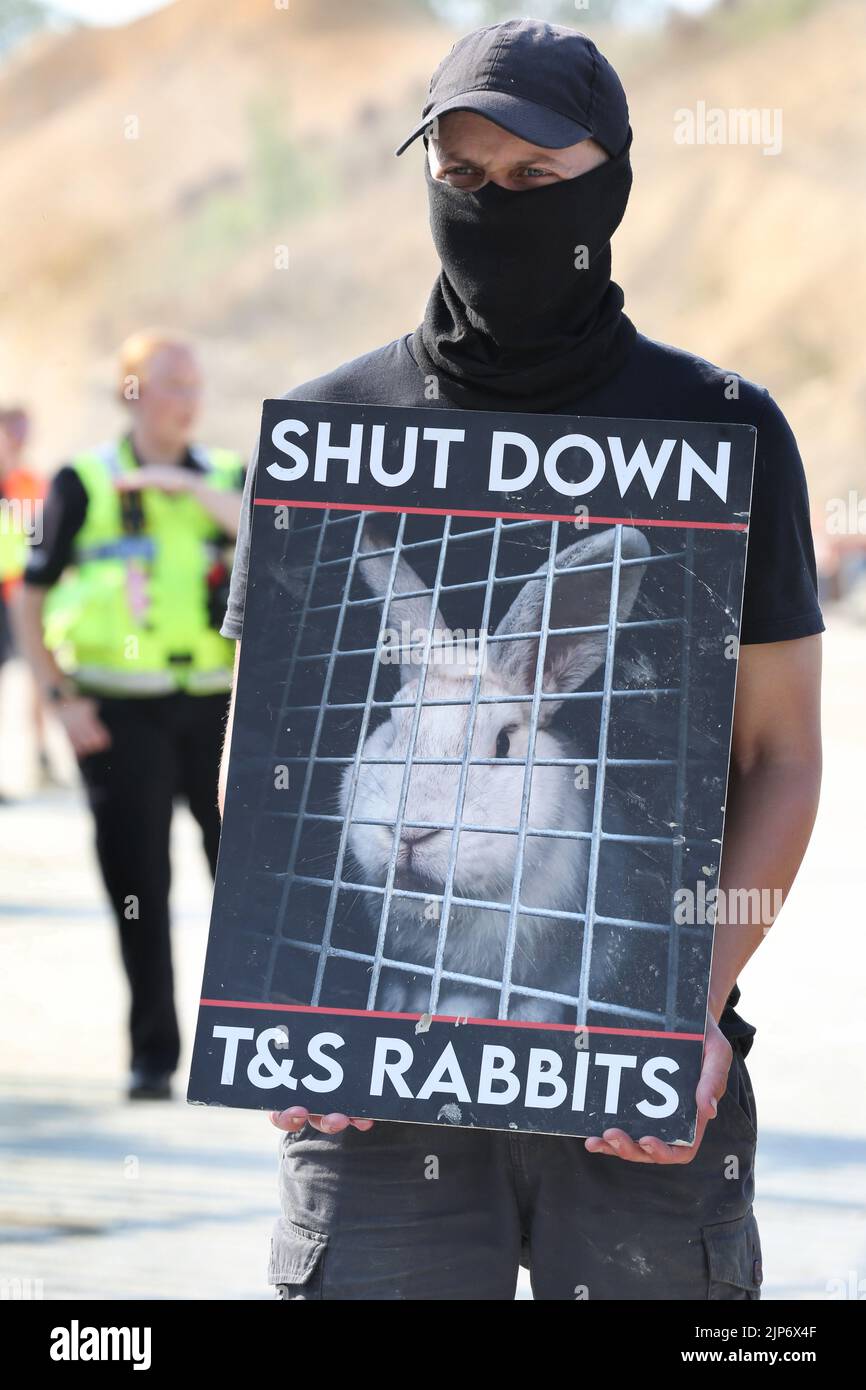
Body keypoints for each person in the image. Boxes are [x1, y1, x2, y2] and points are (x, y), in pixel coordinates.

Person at [219, 21, 823, 1299]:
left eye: (535, 182)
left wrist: (684, 1003)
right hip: (376, 1103)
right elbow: (261, 757)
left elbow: (778, 756)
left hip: (632, 1072)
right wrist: (276, 1000)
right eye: (460, 177)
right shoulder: (332, 431)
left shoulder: (720, 428)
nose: (491, 206)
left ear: (607, 189)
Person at [14, 330, 244, 1100]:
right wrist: (59, 699)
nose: (184, 400)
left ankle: (258, 1044)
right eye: (168, 384)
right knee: (138, 885)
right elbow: (31, 594)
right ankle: (153, 1054)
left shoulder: (226, 475)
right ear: (132, 392)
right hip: (118, 716)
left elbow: (272, 547)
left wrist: (189, 494)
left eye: (192, 385)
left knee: (245, 883)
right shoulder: (81, 481)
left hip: (215, 713)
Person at [0, 407, 53, 795]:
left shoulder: (31, 482)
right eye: (11, 430)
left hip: (26, 592)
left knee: (39, 672)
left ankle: (42, 756)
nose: (18, 437)